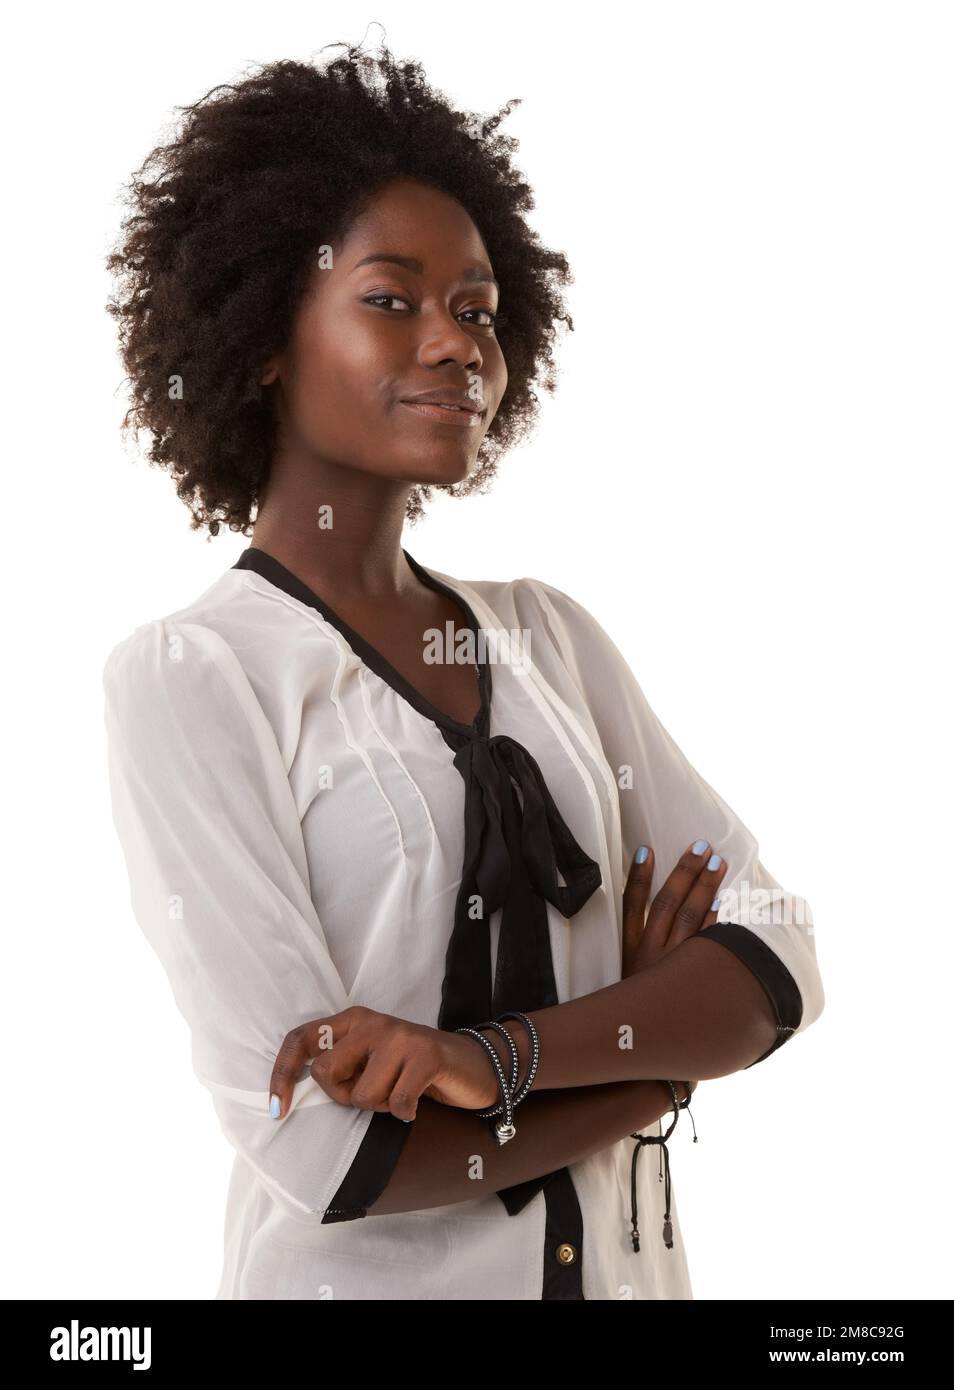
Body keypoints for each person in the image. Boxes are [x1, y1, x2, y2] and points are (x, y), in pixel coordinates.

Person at [101, 38, 824, 1301]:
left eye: (479, 312)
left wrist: (491, 1060)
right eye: (392, 300)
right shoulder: (195, 678)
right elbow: (332, 1152)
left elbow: (777, 958)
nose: (455, 346)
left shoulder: (551, 639)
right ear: (265, 337)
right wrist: (653, 1061)